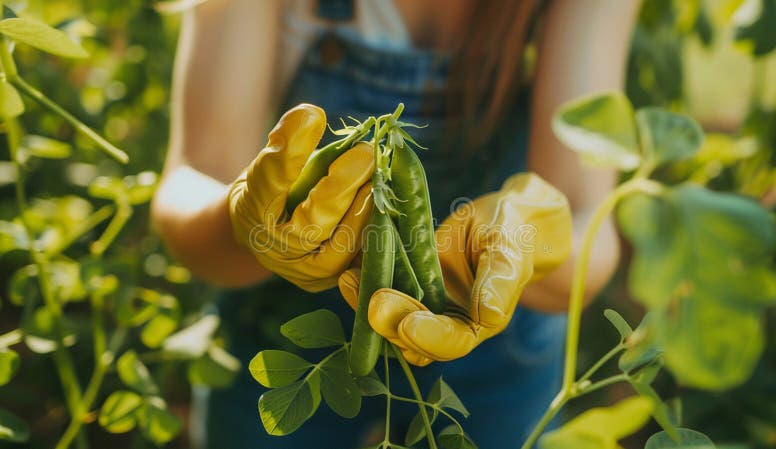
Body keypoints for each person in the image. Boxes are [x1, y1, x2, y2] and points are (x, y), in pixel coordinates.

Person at [151, 0, 638, 447]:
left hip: (497, 351)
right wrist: (244, 223)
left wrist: (526, 241)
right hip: (287, 327)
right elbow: (196, 175)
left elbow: (585, 224)